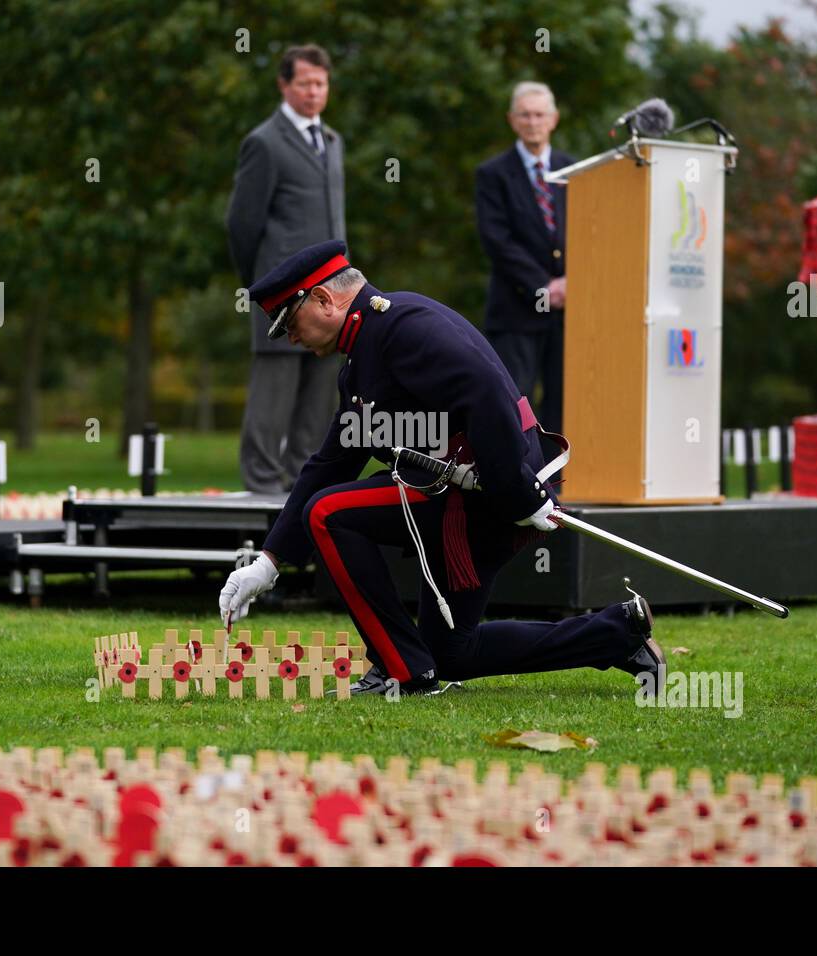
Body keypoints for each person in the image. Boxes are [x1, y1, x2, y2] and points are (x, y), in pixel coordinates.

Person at [218, 241, 664, 697]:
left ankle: (402, 672)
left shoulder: (401, 328)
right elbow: (333, 461)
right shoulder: (367, 351)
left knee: (327, 514)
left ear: (324, 300)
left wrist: (520, 495)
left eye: (290, 323)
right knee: (452, 653)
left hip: (487, 494)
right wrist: (268, 562)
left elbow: (487, 396)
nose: (291, 338)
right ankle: (618, 634)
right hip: (471, 495)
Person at [226, 44, 346, 494]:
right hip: (282, 291)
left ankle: (302, 482)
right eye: (304, 84)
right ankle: (260, 484)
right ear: (284, 85)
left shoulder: (332, 141)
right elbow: (242, 224)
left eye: (320, 84)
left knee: (320, 389)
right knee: (274, 385)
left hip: (333, 293)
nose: (314, 92)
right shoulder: (264, 142)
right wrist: (259, 284)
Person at [475, 81, 573, 433]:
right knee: (514, 405)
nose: (533, 122)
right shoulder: (492, 174)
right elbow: (497, 240)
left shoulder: (573, 170)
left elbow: (588, 230)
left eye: (540, 114)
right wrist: (544, 287)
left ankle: (560, 481)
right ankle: (519, 481)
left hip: (568, 313)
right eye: (525, 115)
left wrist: (570, 285)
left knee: (565, 402)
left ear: (554, 119)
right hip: (516, 311)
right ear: (512, 120)